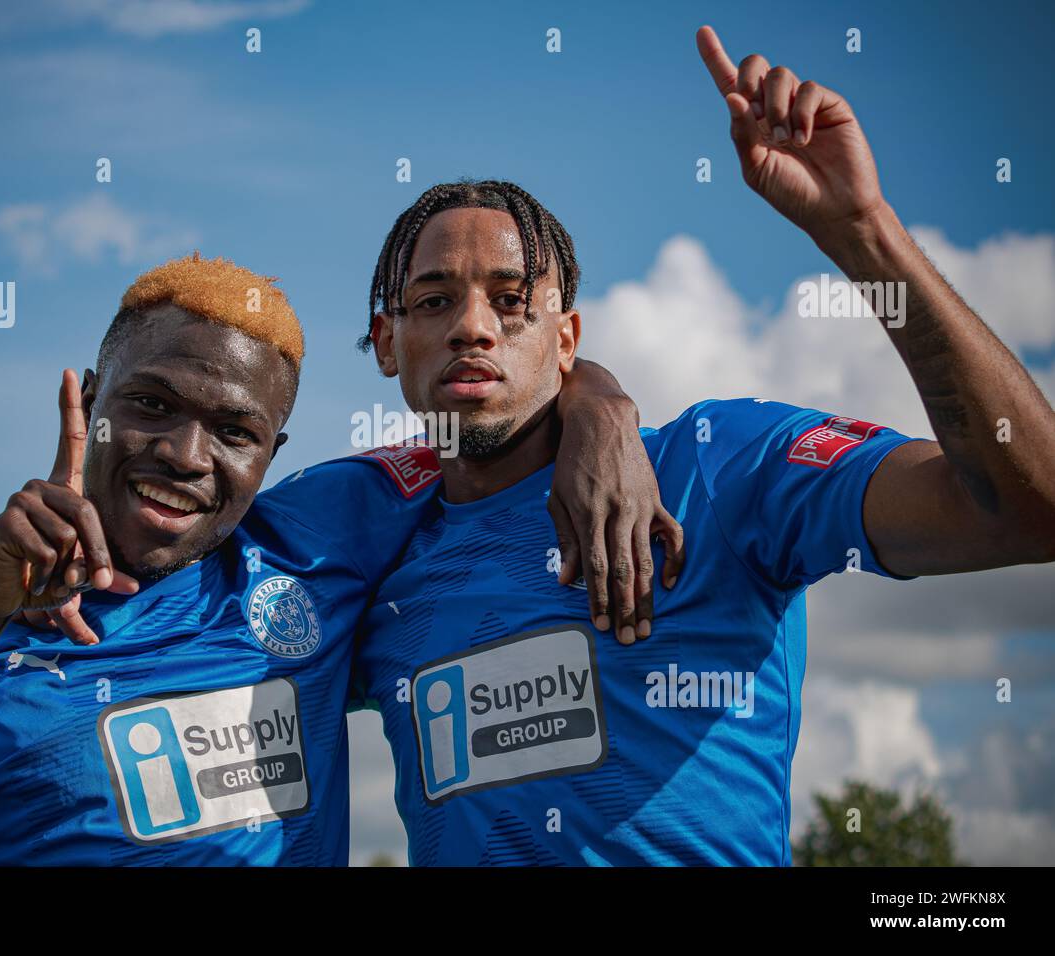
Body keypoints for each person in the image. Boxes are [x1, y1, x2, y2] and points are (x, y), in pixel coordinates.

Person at [349, 27, 1055, 866]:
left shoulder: (723, 467)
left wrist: (863, 230)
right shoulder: (362, 553)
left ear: (567, 339)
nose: (472, 326)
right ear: (386, 343)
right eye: (432, 302)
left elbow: (1028, 510)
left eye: (511, 301)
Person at [0, 253, 672, 866]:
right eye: (153, 406)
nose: (187, 457)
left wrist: (601, 404)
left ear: (273, 456)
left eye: (234, 431)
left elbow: (498, 417)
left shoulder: (316, 538)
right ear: (89, 398)